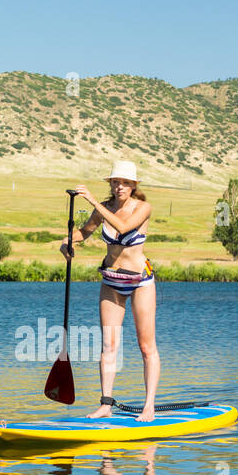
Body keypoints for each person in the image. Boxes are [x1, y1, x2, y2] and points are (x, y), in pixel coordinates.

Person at [59, 160, 159, 421]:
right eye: (116, 182)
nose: (120, 187)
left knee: (146, 346)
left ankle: (148, 406)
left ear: (134, 185)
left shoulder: (143, 208)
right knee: (108, 344)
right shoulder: (105, 209)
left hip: (140, 281)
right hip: (111, 281)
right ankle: (106, 403)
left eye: (125, 183)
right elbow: (85, 232)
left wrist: (93, 201)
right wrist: (68, 241)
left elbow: (124, 228)